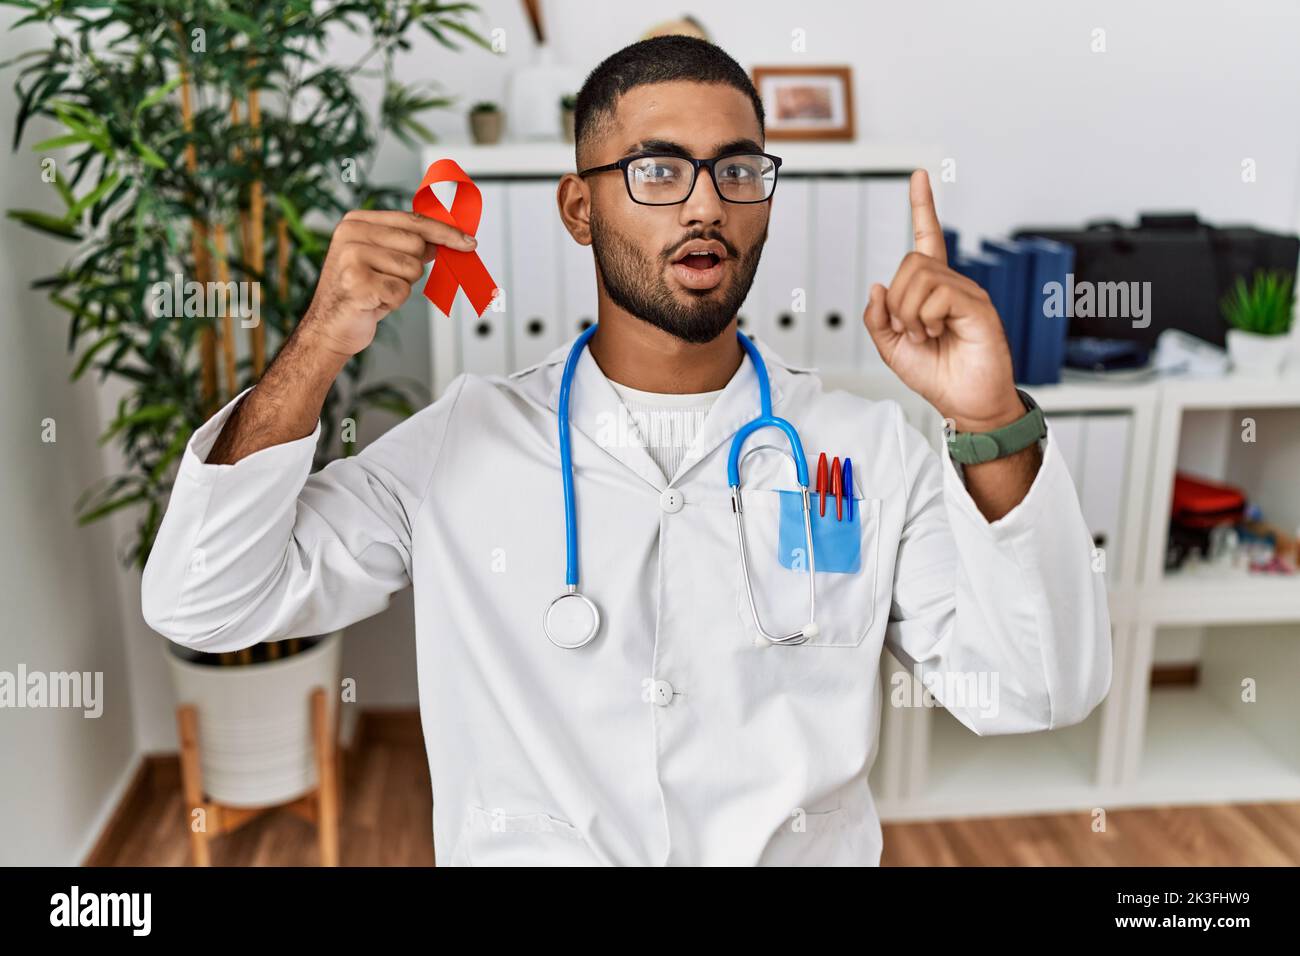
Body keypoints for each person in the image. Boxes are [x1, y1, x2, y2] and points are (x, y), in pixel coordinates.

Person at [142, 35, 1111, 866]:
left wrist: (988, 415)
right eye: (656, 169)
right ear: (578, 208)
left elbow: (1038, 688)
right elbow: (204, 598)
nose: (705, 205)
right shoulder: (462, 441)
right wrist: (317, 341)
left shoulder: (862, 450)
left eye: (737, 169)